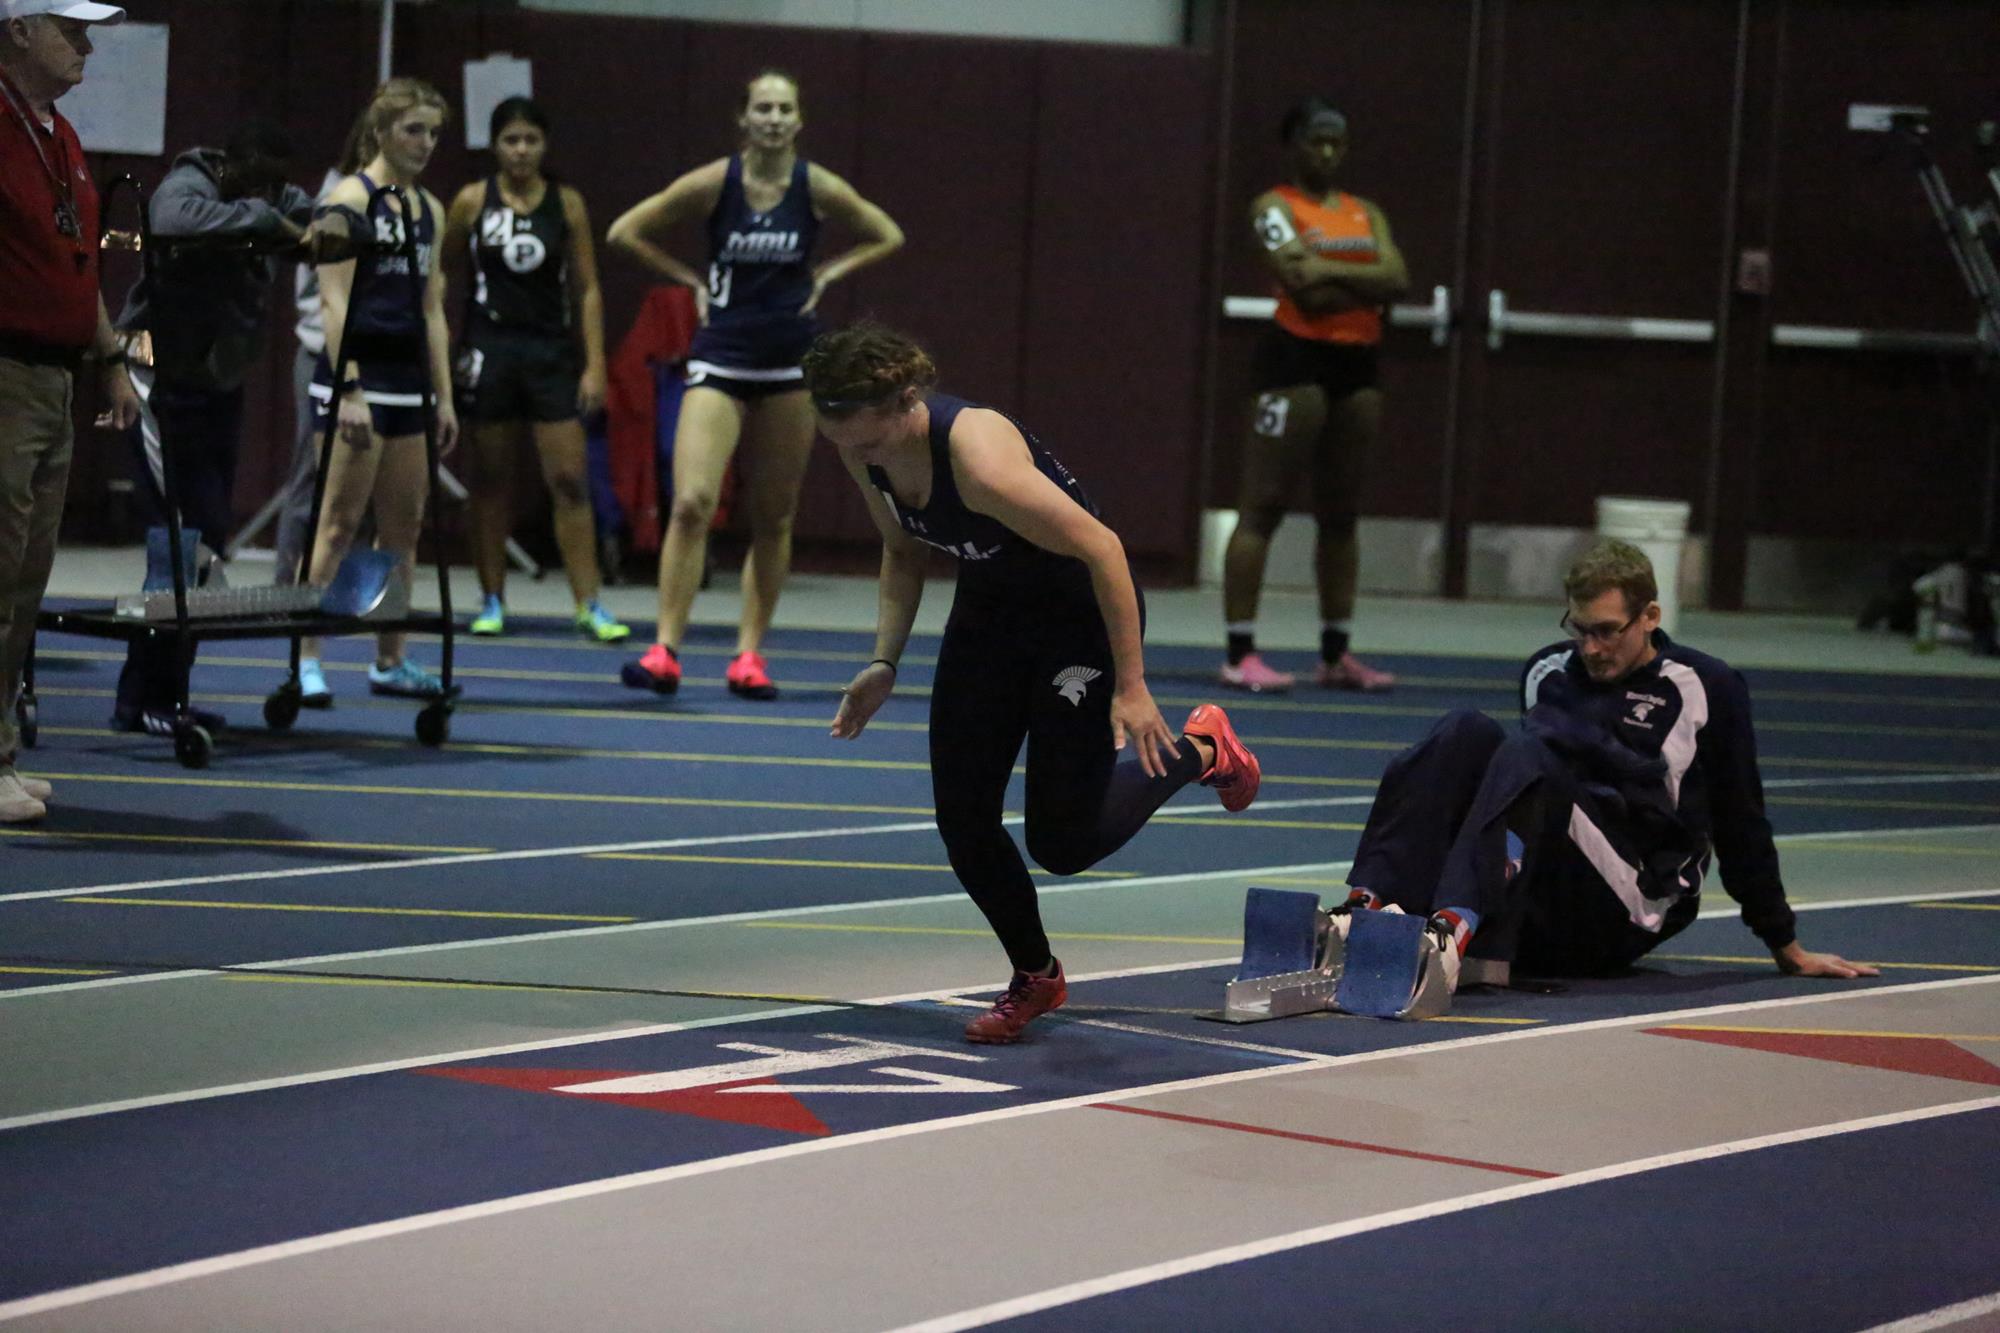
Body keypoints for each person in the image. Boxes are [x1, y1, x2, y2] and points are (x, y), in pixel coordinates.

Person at [803, 323, 1264, 1044]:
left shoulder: (980, 458)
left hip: (1075, 615)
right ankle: (1036, 975)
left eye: (865, 444)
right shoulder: (867, 449)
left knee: (1063, 841)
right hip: (991, 614)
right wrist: (884, 661)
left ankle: (1200, 748)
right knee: (963, 818)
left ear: (907, 402)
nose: (857, 458)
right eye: (842, 445)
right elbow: (901, 548)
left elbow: (1103, 549)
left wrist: (1133, 685)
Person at [1329, 538, 1878, 1013]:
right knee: (1463, 731)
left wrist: (1785, 943)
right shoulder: (1547, 671)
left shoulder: (1707, 687)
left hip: (1631, 906)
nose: (1592, 648)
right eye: (1581, 629)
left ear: (1651, 618)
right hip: (1552, 899)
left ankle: (1450, 930)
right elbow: (1519, 805)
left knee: (1529, 757)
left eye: (1609, 631)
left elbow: (1742, 819)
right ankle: (1364, 911)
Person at [608, 68, 903, 699]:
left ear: (799, 121)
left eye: (784, 108)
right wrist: (691, 282)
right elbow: (624, 231)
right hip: (721, 354)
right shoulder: (718, 181)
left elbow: (887, 233)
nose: (773, 118)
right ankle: (664, 648)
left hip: (790, 363)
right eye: (762, 108)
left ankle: (749, 654)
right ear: (743, 119)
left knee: (774, 516)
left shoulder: (814, 184)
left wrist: (826, 276)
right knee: (690, 502)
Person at [110, 119, 316, 736]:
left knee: (206, 541)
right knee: (179, 542)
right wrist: (265, 223)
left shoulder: (275, 195)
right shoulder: (189, 182)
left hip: (215, 385)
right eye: (261, 183)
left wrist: (314, 226)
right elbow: (172, 221)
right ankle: (148, 698)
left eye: (279, 185)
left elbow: (327, 218)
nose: (272, 194)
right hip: (159, 382)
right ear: (233, 166)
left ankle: (157, 695)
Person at [0, 0, 140, 823]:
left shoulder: (59, 136)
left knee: (24, 577)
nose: (85, 44)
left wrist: (114, 358)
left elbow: (76, 266)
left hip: (54, 376)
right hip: (6, 370)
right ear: (17, 29)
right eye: (70, 27)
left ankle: (2, 752)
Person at [1220, 96, 1405, 694]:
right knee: (1264, 505)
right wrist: (1359, 279)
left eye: (1337, 142)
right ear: (1294, 145)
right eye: (1316, 141)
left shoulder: (1364, 211)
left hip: (1358, 363)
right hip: (1293, 362)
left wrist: (1327, 269)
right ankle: (1240, 652)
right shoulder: (1274, 207)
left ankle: (1335, 652)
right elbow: (1303, 289)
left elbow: (1397, 277)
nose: (1327, 152)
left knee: (1341, 513)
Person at [293, 77, 459, 706]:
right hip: (355, 382)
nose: (425, 143)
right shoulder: (347, 200)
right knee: (335, 525)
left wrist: (443, 396)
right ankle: (308, 656)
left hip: (409, 385)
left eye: (434, 132)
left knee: (402, 529)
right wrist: (349, 387)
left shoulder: (429, 210)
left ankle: (390, 658)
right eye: (414, 130)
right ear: (383, 130)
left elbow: (433, 309)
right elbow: (333, 301)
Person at [442, 96, 626, 643]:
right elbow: (442, 274)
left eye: (531, 140)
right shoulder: (472, 201)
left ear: (545, 146)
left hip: (549, 352)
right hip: (490, 349)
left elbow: (587, 287)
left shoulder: (567, 204)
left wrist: (594, 365)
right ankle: (492, 598)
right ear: (495, 146)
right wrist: (450, 345)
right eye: (511, 140)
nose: (521, 150)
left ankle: (589, 603)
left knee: (570, 480)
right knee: (490, 479)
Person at [274, 110, 373, 589]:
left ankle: (341, 586)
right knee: (311, 475)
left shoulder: (402, 203)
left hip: (376, 357)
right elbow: (318, 294)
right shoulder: (337, 201)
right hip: (323, 355)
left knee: (359, 482)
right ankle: (285, 588)